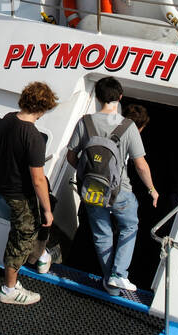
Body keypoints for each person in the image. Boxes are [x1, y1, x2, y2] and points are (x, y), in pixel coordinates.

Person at [65, 77, 158, 295]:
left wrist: (87, 174)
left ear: (97, 97)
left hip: (93, 189)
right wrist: (152, 190)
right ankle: (118, 275)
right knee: (129, 227)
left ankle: (110, 280)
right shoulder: (128, 126)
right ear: (120, 97)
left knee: (101, 234)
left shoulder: (85, 121)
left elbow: (71, 156)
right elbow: (140, 165)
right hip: (121, 191)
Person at [0, 82, 59, 305]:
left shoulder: (8, 119)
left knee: (21, 235)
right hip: (20, 193)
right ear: (43, 107)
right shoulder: (33, 137)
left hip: (4, 184)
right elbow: (38, 179)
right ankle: (9, 289)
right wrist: (47, 210)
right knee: (22, 237)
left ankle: (17, 277)